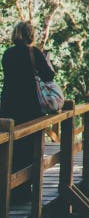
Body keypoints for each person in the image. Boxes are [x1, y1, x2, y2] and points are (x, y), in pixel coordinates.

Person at [0, 21, 56, 199]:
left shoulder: (7, 54)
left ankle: (9, 189)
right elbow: (49, 75)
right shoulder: (34, 53)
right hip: (29, 107)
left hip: (9, 106)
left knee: (10, 149)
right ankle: (24, 190)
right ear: (30, 34)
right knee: (29, 149)